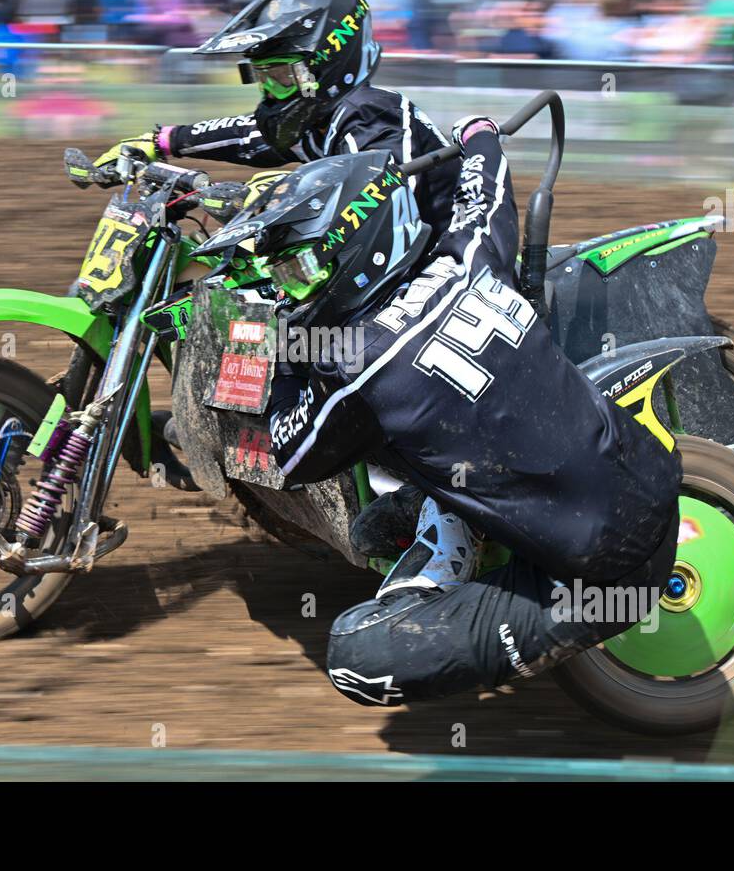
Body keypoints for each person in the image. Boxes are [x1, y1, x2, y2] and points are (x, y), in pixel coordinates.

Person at [236, 117, 682, 705]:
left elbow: (285, 457)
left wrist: (270, 341)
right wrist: (479, 133)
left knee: (356, 660)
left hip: (608, 571)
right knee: (391, 502)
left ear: (348, 251)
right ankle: (460, 530)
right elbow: (485, 190)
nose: (283, 287)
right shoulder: (466, 259)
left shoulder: (359, 374)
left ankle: (467, 570)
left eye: (295, 271)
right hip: (649, 473)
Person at [91, 0, 460, 231]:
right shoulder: (320, 119)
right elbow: (251, 136)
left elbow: (377, 199)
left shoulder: (371, 115)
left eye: (283, 76)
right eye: (264, 77)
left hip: (437, 267)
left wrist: (278, 192)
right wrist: (159, 142)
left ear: (327, 63)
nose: (271, 91)